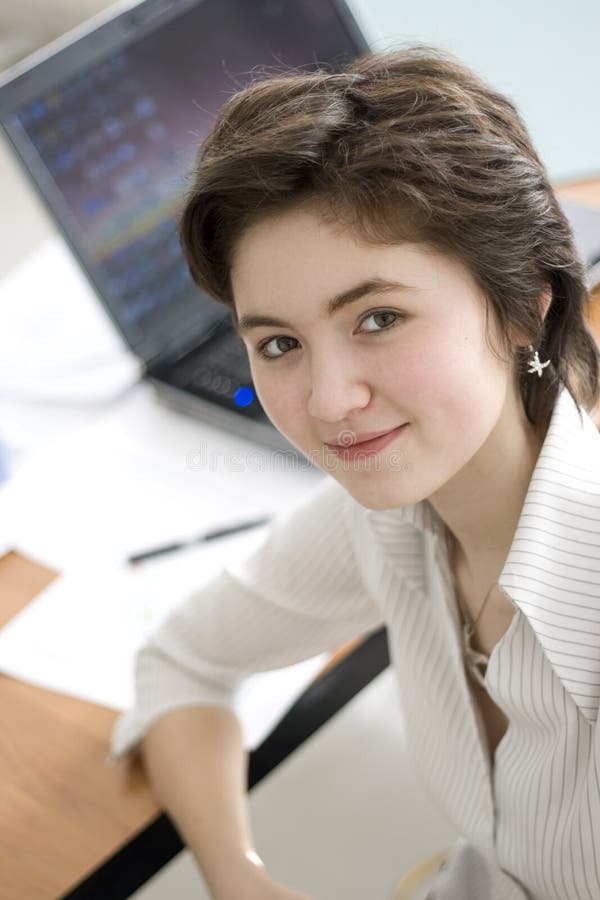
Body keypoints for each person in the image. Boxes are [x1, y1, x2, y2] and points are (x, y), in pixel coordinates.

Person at [110, 44, 600, 900]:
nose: (330, 400)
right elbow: (183, 659)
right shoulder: (392, 515)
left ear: (525, 300)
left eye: (378, 317)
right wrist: (238, 877)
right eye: (279, 344)